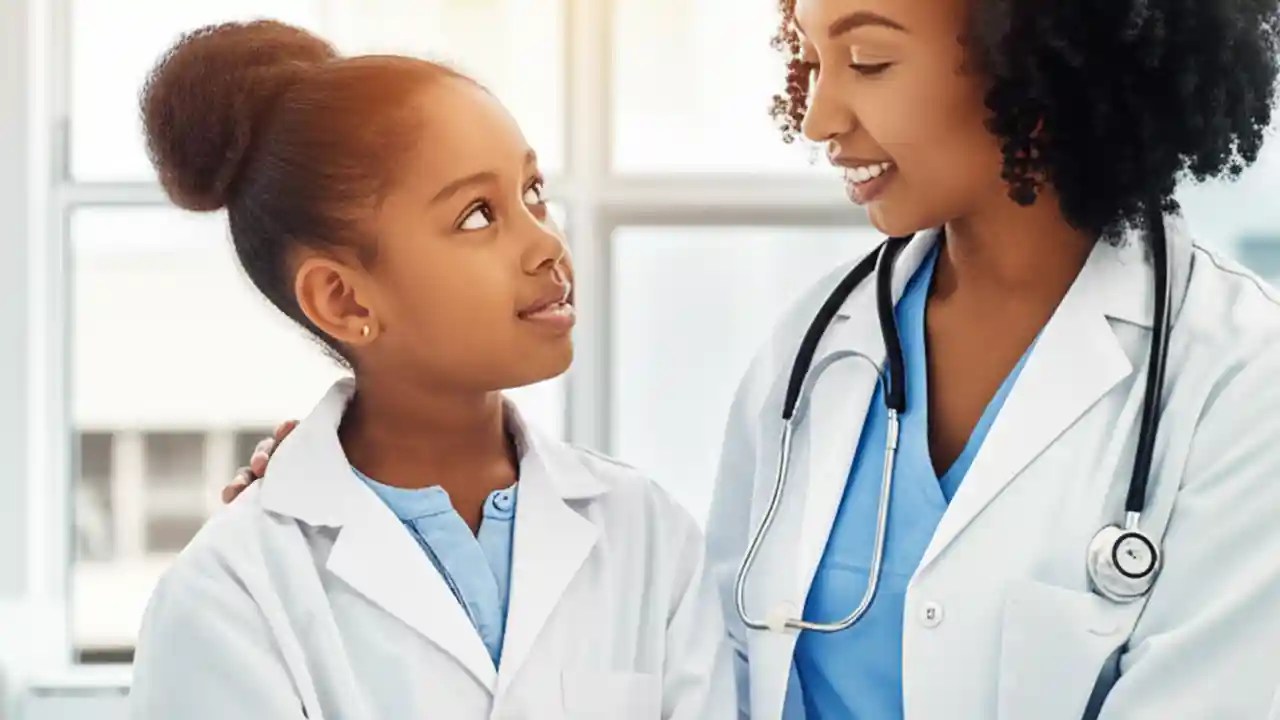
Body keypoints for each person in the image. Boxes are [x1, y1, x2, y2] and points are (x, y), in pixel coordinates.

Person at [229, 0, 1280, 718]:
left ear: (1042, 45)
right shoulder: (813, 357)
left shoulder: (1232, 382)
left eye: (867, 58)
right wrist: (373, 478)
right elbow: (699, 661)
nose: (818, 114)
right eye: (806, 58)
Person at [129, 20, 733, 720]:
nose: (546, 245)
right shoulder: (231, 595)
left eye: (532, 193)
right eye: (477, 216)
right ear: (345, 297)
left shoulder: (645, 533)